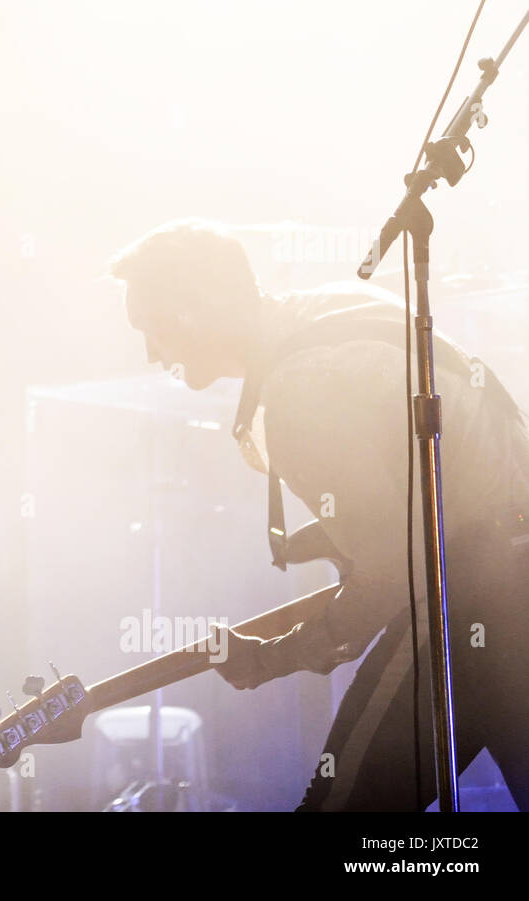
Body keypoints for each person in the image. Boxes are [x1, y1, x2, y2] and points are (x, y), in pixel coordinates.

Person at [107, 218, 529, 810]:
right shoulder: (336, 306)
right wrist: (345, 539)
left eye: (154, 327)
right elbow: (420, 494)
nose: (152, 352)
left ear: (201, 306)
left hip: (468, 607)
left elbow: (391, 573)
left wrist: (272, 657)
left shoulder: (299, 393)